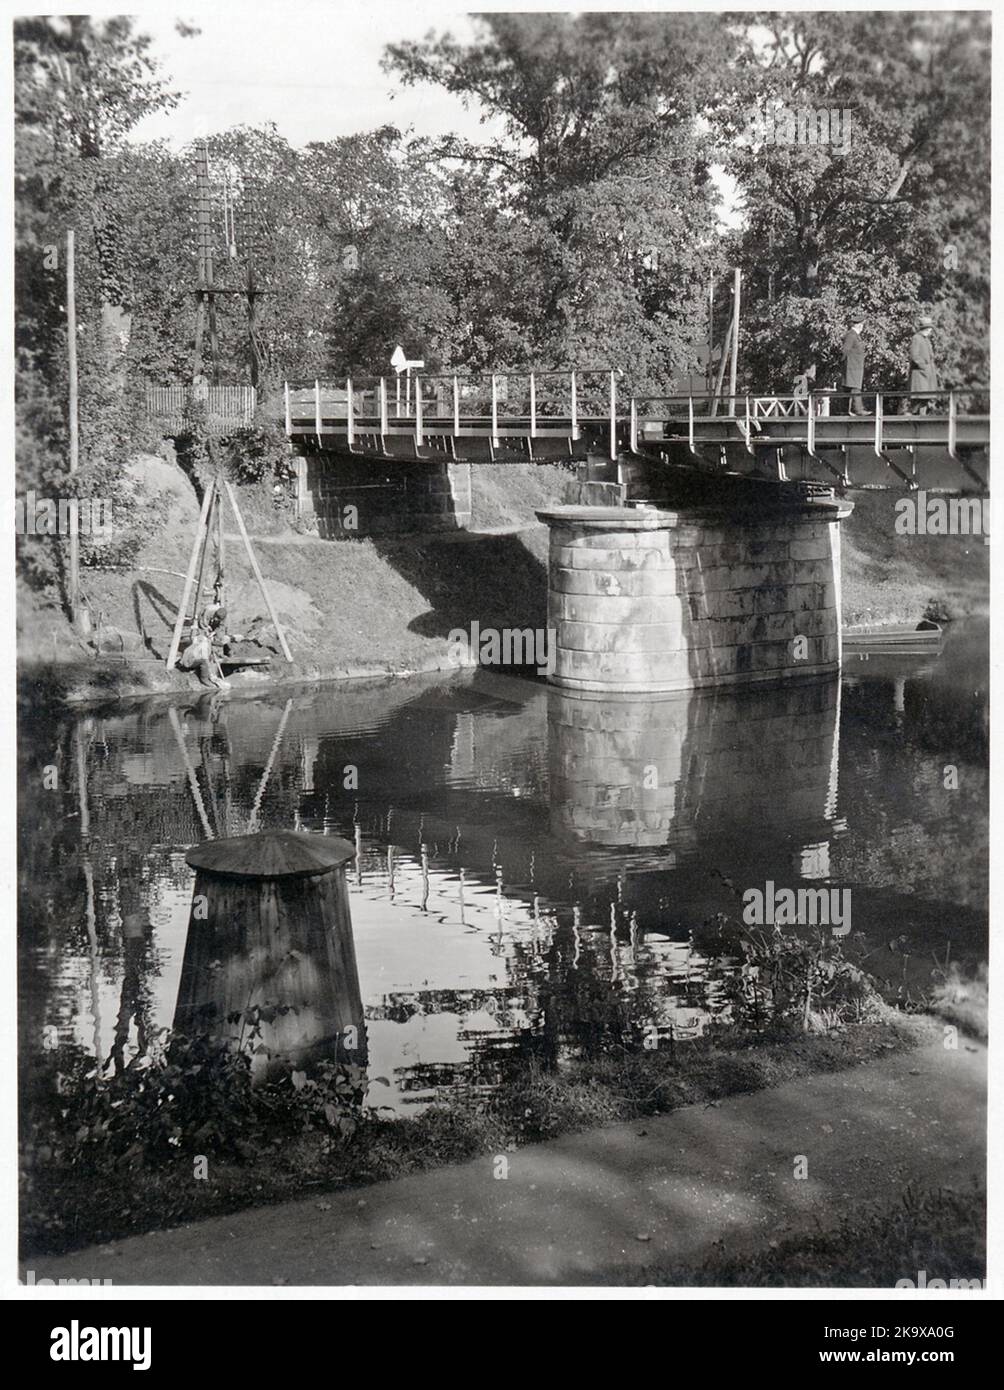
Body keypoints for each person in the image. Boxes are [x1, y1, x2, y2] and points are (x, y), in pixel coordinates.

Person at [907, 314, 940, 414]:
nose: (930, 330)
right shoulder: (916, 338)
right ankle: (911, 417)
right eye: (929, 328)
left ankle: (922, 418)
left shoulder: (926, 339)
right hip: (919, 375)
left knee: (925, 399)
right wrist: (923, 366)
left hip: (927, 376)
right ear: (925, 328)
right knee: (918, 400)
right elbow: (914, 356)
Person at [842, 313, 868, 414]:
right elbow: (845, 351)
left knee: (852, 388)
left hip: (855, 367)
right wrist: (845, 364)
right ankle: (858, 409)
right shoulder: (851, 335)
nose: (862, 327)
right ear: (859, 325)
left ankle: (848, 411)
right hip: (852, 367)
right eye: (862, 325)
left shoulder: (854, 335)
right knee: (855, 388)